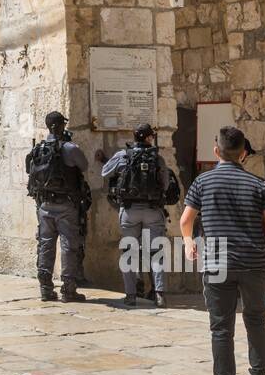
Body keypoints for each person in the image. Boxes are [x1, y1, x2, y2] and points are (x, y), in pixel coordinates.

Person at [180, 126, 265, 375]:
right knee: (256, 320)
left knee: (221, 329)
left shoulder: (202, 183)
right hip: (253, 263)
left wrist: (190, 242)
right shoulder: (258, 184)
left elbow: (185, 220)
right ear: (243, 154)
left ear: (216, 151)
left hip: (217, 263)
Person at [97, 123, 177, 307]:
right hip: (153, 211)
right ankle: (159, 295)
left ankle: (131, 295)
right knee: (156, 252)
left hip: (129, 211)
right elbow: (165, 185)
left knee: (129, 253)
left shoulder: (122, 155)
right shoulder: (157, 158)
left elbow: (105, 172)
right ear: (148, 138)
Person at [25, 110, 89, 303]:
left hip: (44, 205)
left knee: (45, 245)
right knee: (69, 246)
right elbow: (84, 166)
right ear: (59, 126)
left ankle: (45, 288)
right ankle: (68, 290)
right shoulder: (69, 148)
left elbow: (30, 170)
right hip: (66, 205)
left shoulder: (38, 149)